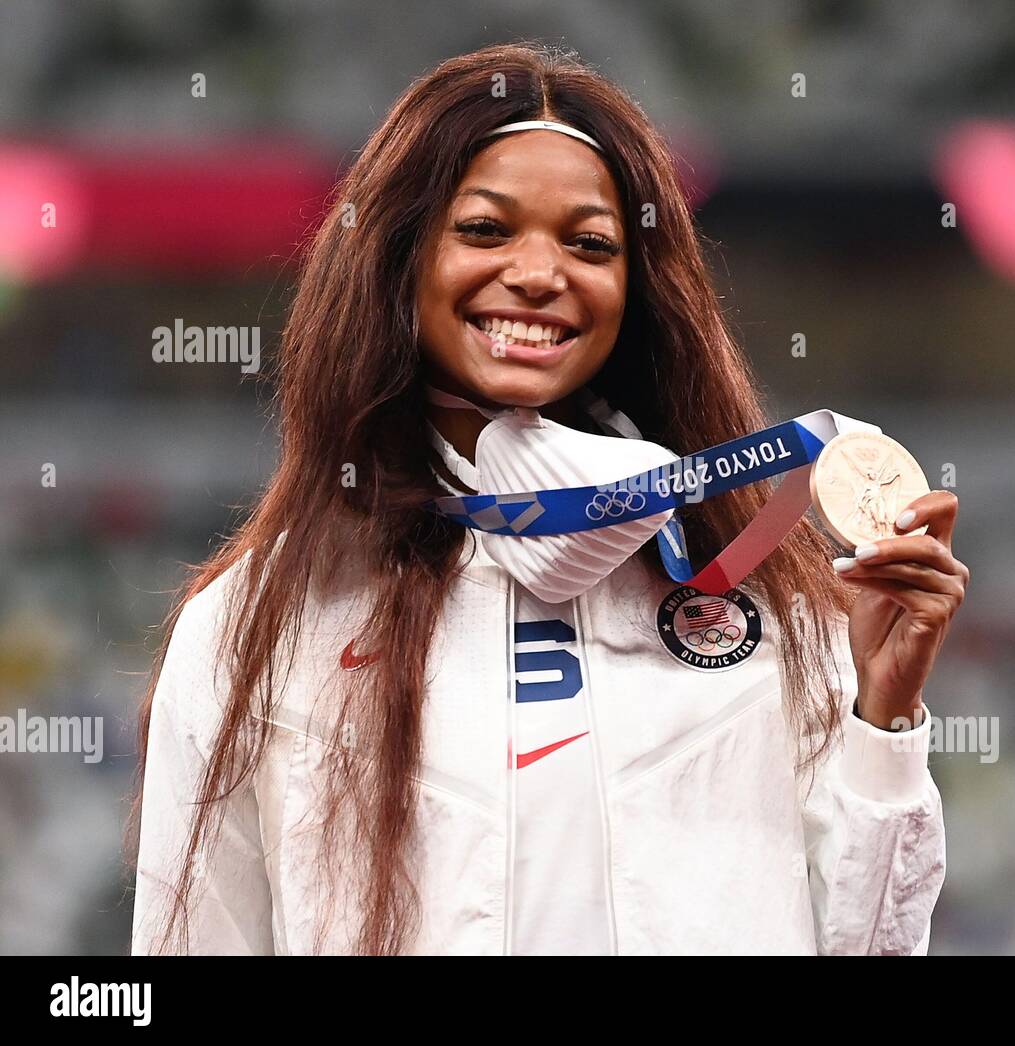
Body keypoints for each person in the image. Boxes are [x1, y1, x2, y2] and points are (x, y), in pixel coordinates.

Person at [129, 41, 968, 956]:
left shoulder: (768, 598)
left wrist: (882, 720)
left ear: (635, 290)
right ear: (398, 264)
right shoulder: (254, 626)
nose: (538, 273)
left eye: (590, 243)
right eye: (486, 230)